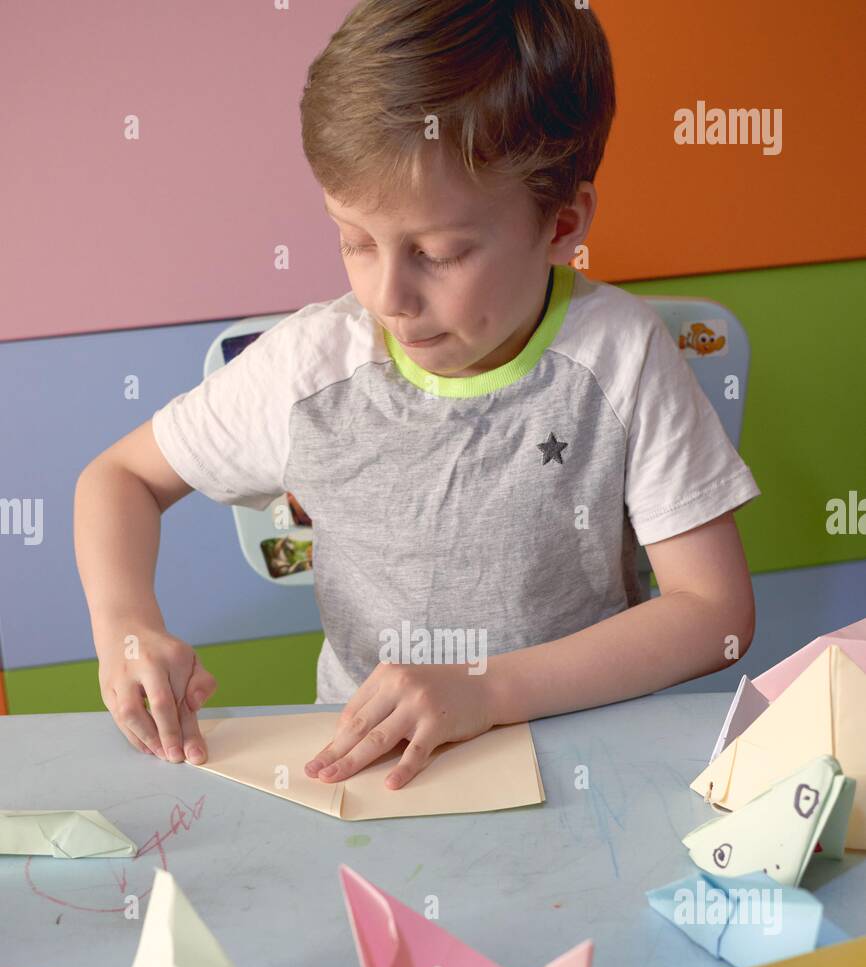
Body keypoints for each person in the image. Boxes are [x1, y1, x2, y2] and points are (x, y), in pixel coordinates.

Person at [74, 0, 759, 791]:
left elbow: (715, 614)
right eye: (355, 241)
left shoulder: (623, 357)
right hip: (368, 769)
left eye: (437, 252)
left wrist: (488, 690)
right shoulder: (312, 365)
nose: (387, 296)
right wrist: (126, 626)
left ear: (563, 222)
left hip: (581, 756)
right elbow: (116, 480)